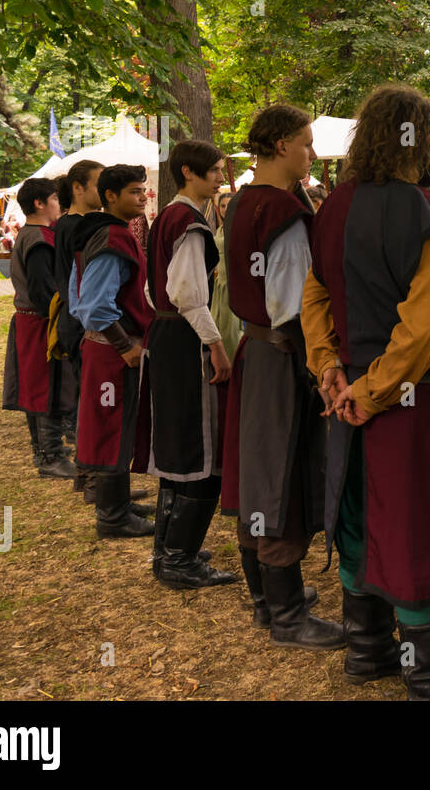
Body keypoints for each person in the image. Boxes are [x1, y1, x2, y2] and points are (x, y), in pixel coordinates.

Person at [302, 82, 430, 699]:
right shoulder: (427, 213)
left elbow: (316, 294)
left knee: (358, 514)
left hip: (352, 401)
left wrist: (330, 368)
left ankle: (368, 652)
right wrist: (370, 390)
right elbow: (426, 323)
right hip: (413, 403)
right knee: (416, 527)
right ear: (420, 136)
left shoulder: (333, 208)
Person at [222, 104, 343, 648]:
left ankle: (266, 598)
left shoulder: (246, 200)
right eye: (305, 143)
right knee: (280, 476)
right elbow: (293, 306)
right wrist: (323, 364)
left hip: (257, 351)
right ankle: (287, 615)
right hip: (282, 356)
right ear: (278, 146)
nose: (310, 153)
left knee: (259, 471)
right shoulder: (281, 213)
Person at [134, 140, 237, 590]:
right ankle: (179, 558)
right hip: (185, 339)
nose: (220, 178)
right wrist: (215, 346)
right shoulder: (188, 222)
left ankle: (168, 548)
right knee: (198, 451)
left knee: (179, 447)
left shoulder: (171, 218)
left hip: (169, 335)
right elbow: (188, 295)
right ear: (188, 172)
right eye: (213, 171)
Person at [68, 165, 156, 539]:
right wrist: (124, 346)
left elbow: (78, 296)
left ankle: (118, 504)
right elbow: (91, 305)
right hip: (111, 351)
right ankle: (112, 516)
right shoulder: (110, 239)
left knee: (118, 423)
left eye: (143, 191)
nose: (142, 197)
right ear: (110, 197)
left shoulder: (104, 233)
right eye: (134, 192)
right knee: (110, 425)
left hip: (107, 349)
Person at [1, 179, 75, 479]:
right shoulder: (38, 239)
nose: (59, 203)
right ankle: (50, 456)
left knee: (41, 387)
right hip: (40, 323)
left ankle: (46, 452)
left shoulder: (36, 235)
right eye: (55, 198)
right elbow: (44, 289)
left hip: (34, 321)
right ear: (39, 203)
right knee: (46, 387)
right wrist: (62, 321)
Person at [54, 160, 104, 499]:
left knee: (92, 402)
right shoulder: (74, 227)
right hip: (81, 324)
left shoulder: (74, 224)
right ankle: (95, 480)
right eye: (99, 183)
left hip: (78, 322)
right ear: (78, 188)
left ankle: (92, 475)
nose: (105, 190)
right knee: (94, 403)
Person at [211, 191, 242, 362]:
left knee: (232, 334)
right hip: (219, 287)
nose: (225, 209)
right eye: (223, 205)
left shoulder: (239, 229)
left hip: (234, 287)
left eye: (229, 205)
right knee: (219, 330)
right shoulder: (219, 230)